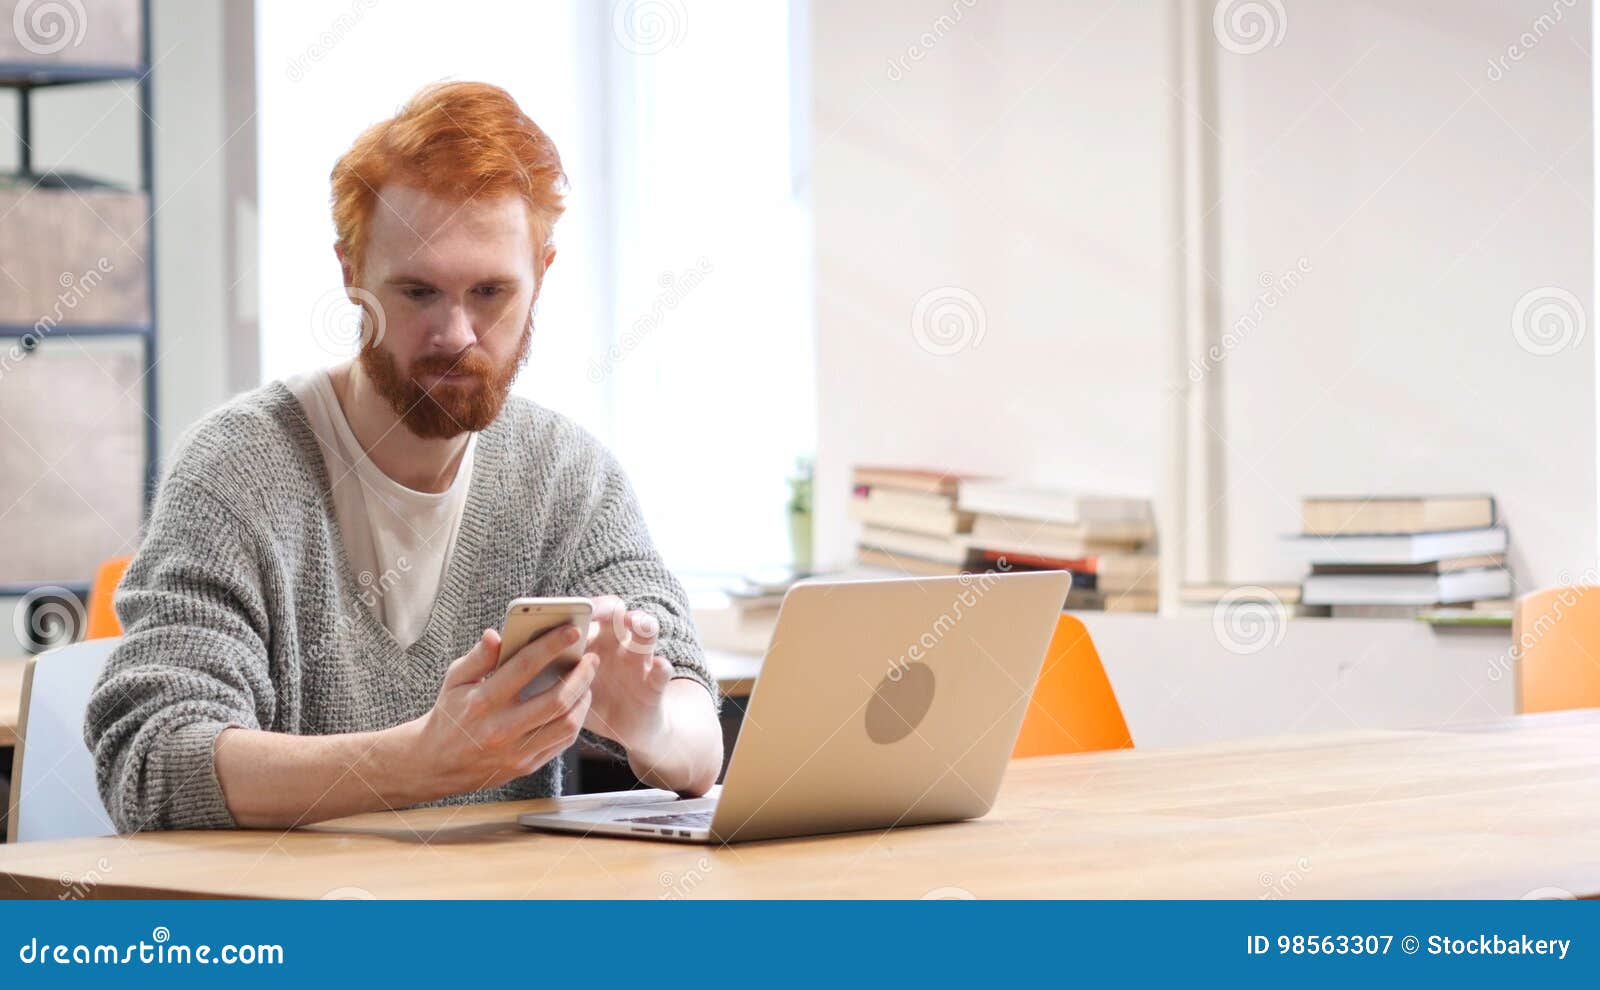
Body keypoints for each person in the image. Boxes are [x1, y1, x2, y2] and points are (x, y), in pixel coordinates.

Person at [84, 81, 723, 832]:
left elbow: (697, 734)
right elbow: (154, 765)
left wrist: (648, 725)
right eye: (418, 291)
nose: (455, 333)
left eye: (490, 292)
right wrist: (423, 762)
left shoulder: (564, 476)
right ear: (351, 272)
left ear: (542, 274)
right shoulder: (235, 472)